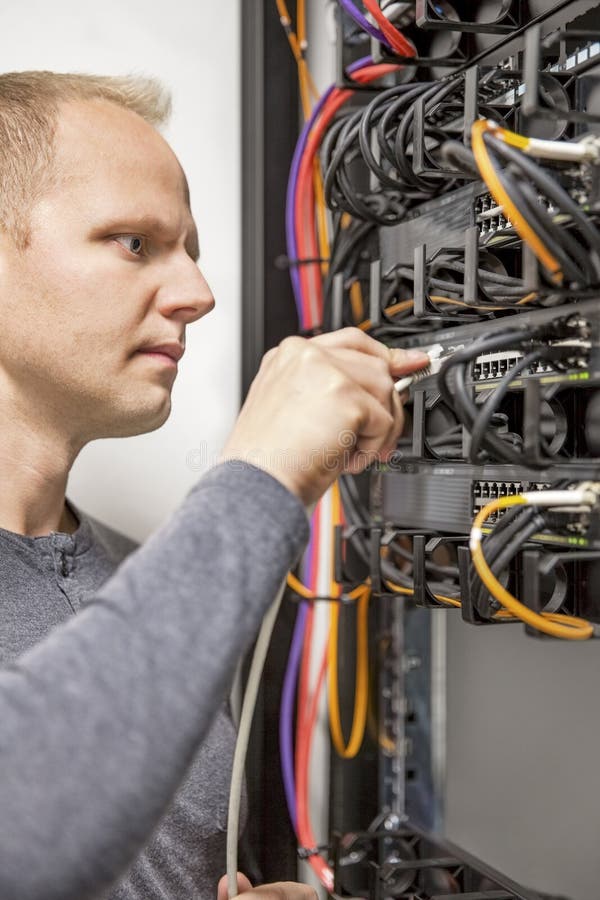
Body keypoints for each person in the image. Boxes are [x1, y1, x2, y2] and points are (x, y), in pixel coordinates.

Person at [0, 71, 427, 900]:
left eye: (190, 250)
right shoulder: (190, 579)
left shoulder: (138, 587)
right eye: (134, 243)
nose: (197, 294)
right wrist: (261, 472)